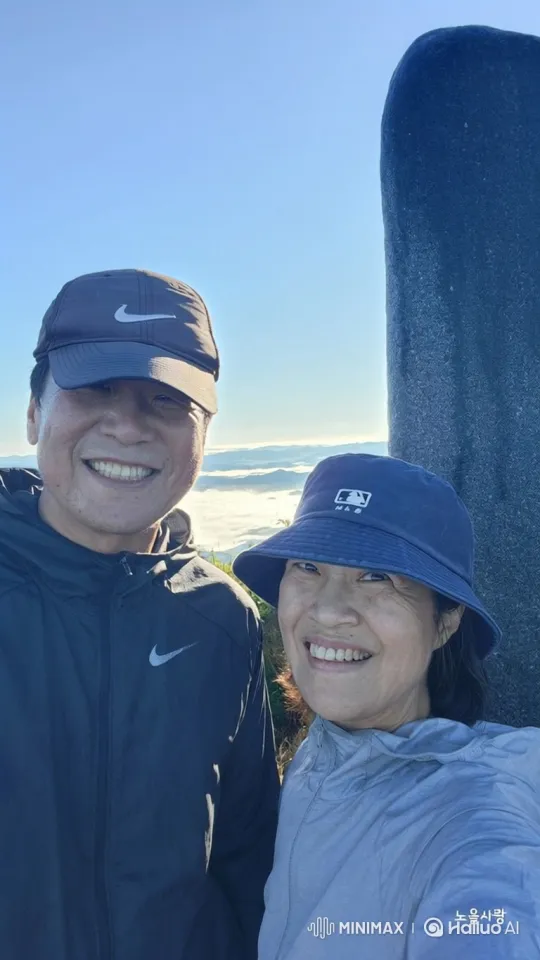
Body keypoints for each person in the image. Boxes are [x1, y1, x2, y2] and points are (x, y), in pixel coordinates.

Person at [0, 268, 279, 960]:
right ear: (34, 414)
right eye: (95, 389)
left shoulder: (222, 617)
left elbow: (249, 856)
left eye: (165, 401)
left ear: (203, 437)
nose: (126, 424)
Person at [233, 453, 540, 959]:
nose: (329, 609)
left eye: (377, 576)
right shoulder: (323, 752)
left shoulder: (472, 822)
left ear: (446, 621)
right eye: (308, 565)